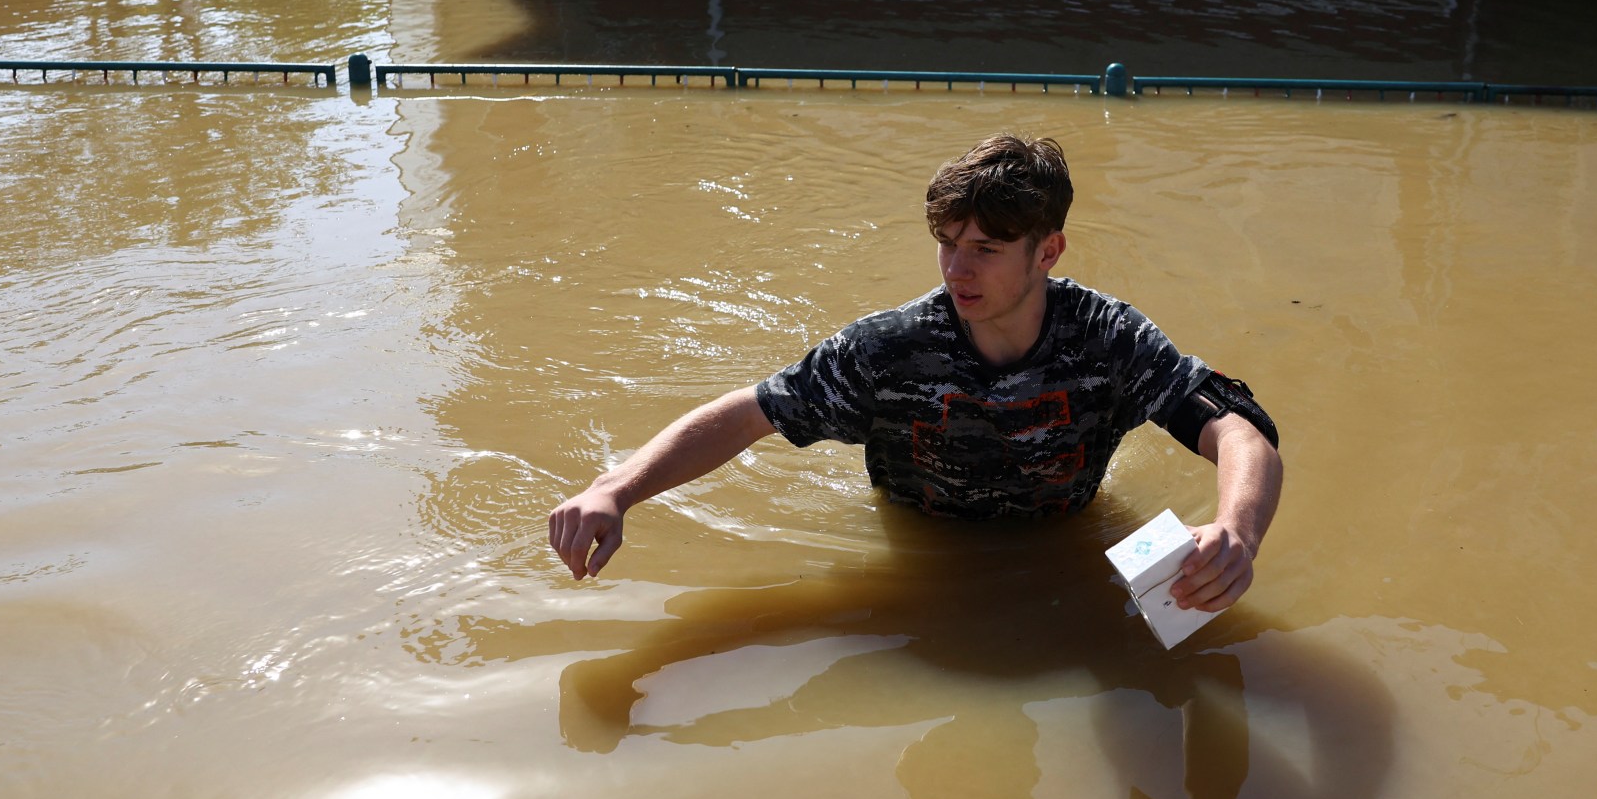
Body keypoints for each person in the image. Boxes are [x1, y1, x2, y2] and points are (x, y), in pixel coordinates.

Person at [548, 133, 1283, 615]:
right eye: (948, 243)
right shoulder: (889, 349)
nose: (958, 270)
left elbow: (1237, 429)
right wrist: (616, 490)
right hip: (924, 563)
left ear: (1049, 250)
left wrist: (1235, 535)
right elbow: (749, 415)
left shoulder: (1108, 338)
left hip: (1064, 549)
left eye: (988, 249)